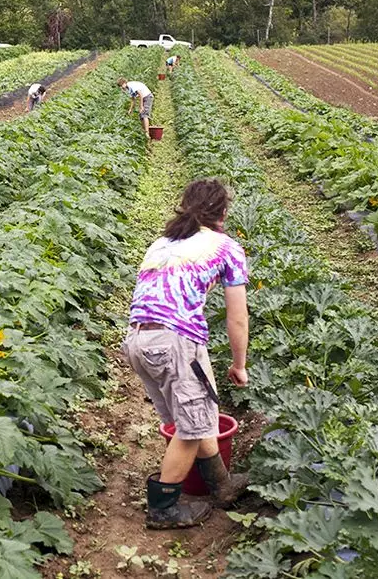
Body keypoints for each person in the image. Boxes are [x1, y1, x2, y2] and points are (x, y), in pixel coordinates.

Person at [123, 178, 251, 529]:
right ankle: (163, 509)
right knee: (193, 429)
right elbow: (237, 317)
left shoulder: (162, 243)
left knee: (193, 417)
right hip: (176, 341)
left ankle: (222, 485)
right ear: (222, 212)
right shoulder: (225, 247)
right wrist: (239, 366)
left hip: (137, 340)